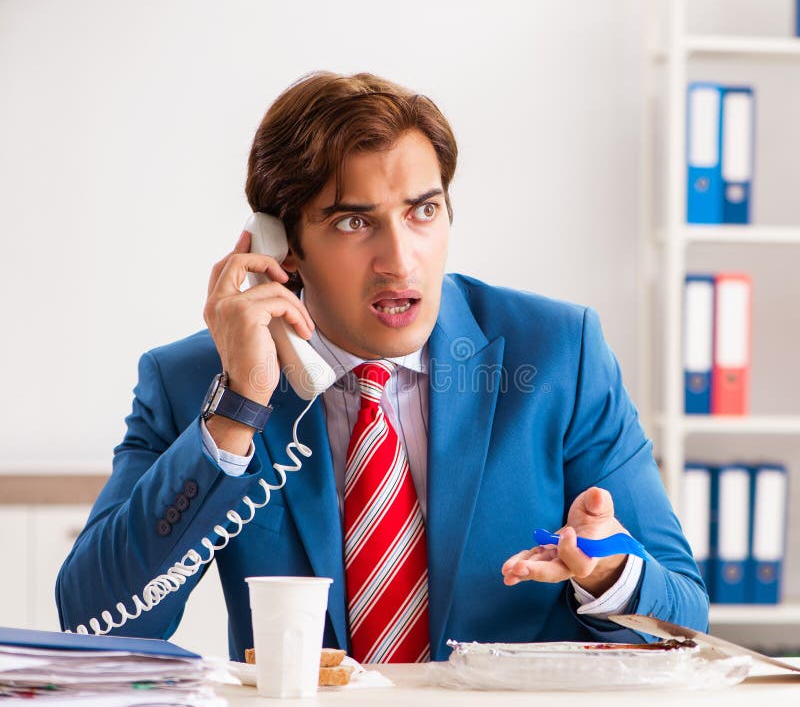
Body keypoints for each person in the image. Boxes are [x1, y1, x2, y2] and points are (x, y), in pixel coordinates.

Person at [57, 71, 708, 663]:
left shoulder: (559, 353)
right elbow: (94, 625)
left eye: (422, 211)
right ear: (283, 247)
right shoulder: (190, 383)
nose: (400, 259)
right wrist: (237, 413)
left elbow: (686, 621)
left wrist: (604, 571)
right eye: (352, 222)